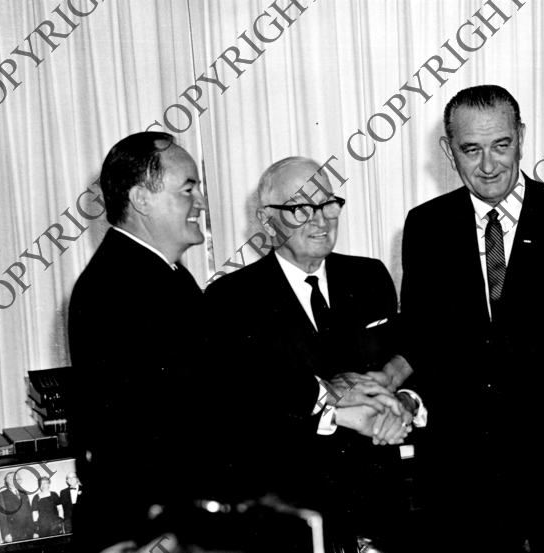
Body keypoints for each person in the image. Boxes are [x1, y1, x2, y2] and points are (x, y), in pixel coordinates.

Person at [399, 85, 544, 551]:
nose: (488, 165)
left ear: (521, 137)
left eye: (501, 145)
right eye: (471, 149)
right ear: (449, 152)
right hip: (465, 458)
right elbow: (421, 339)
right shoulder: (426, 226)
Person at [204, 157, 424, 550]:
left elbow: (406, 359)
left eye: (327, 205)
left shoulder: (370, 276)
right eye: (299, 209)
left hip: (382, 504)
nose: (320, 220)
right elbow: (242, 414)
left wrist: (404, 404)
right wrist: (341, 416)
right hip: (294, 515)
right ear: (266, 219)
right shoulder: (231, 300)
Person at [68, 132, 208, 552]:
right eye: (188, 189)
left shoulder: (164, 274)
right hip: (145, 528)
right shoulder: (115, 287)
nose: (200, 202)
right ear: (141, 200)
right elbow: (140, 431)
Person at [0, 472, 33, 543]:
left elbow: (29, 513)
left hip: (28, 531)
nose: (19, 481)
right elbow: (1, 517)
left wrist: (33, 530)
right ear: (8, 480)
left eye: (19, 479)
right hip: (13, 533)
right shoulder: (1, 495)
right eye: (16, 479)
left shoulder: (24, 494)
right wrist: (6, 534)